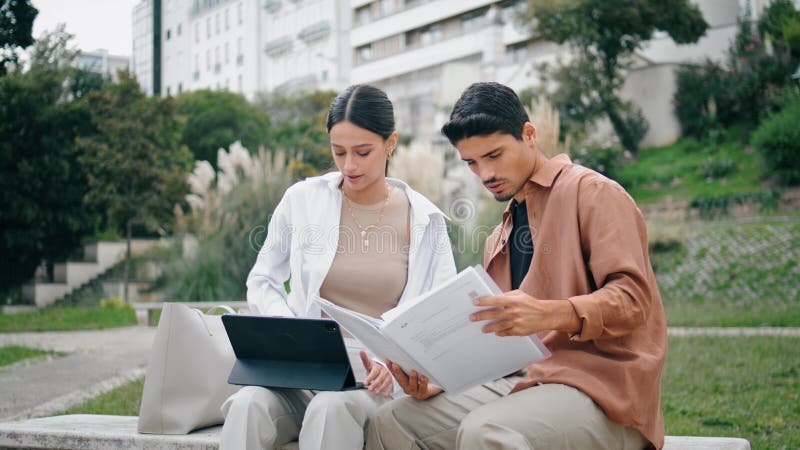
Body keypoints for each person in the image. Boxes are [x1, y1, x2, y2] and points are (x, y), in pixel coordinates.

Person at [366, 81, 667, 450]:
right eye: (472, 163)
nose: (485, 174)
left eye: (494, 155)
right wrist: (439, 382)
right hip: (526, 384)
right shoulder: (500, 237)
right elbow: (499, 345)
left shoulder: (593, 193)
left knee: (485, 430)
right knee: (391, 421)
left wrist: (554, 314)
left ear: (528, 135)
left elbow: (635, 301)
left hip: (605, 394)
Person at [219, 84, 456, 450]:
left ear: (390, 143)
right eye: (338, 152)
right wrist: (288, 330)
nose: (349, 165)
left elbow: (439, 315)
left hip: (375, 381)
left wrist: (391, 363)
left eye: (363, 152)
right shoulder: (302, 200)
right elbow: (263, 278)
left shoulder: (425, 220)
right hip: (300, 370)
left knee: (330, 409)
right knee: (249, 404)